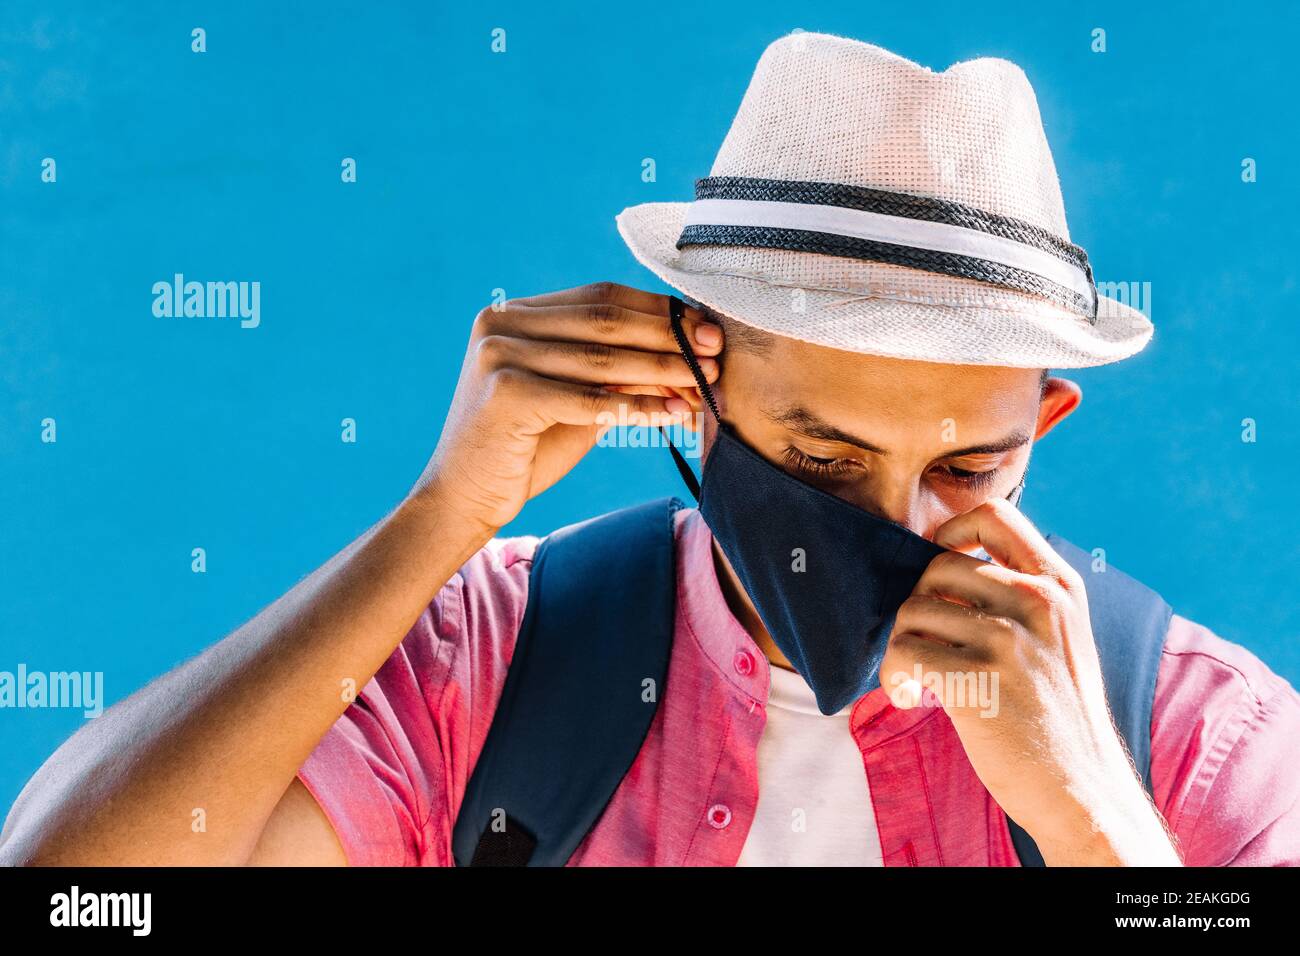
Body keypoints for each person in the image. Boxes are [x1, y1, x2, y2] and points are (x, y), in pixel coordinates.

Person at [3, 32, 1297, 867]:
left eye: (967, 471)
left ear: (1045, 423)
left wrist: (1100, 824)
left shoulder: (1189, 730)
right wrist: (439, 519)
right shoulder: (494, 670)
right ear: (695, 383)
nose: (897, 531)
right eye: (824, 460)